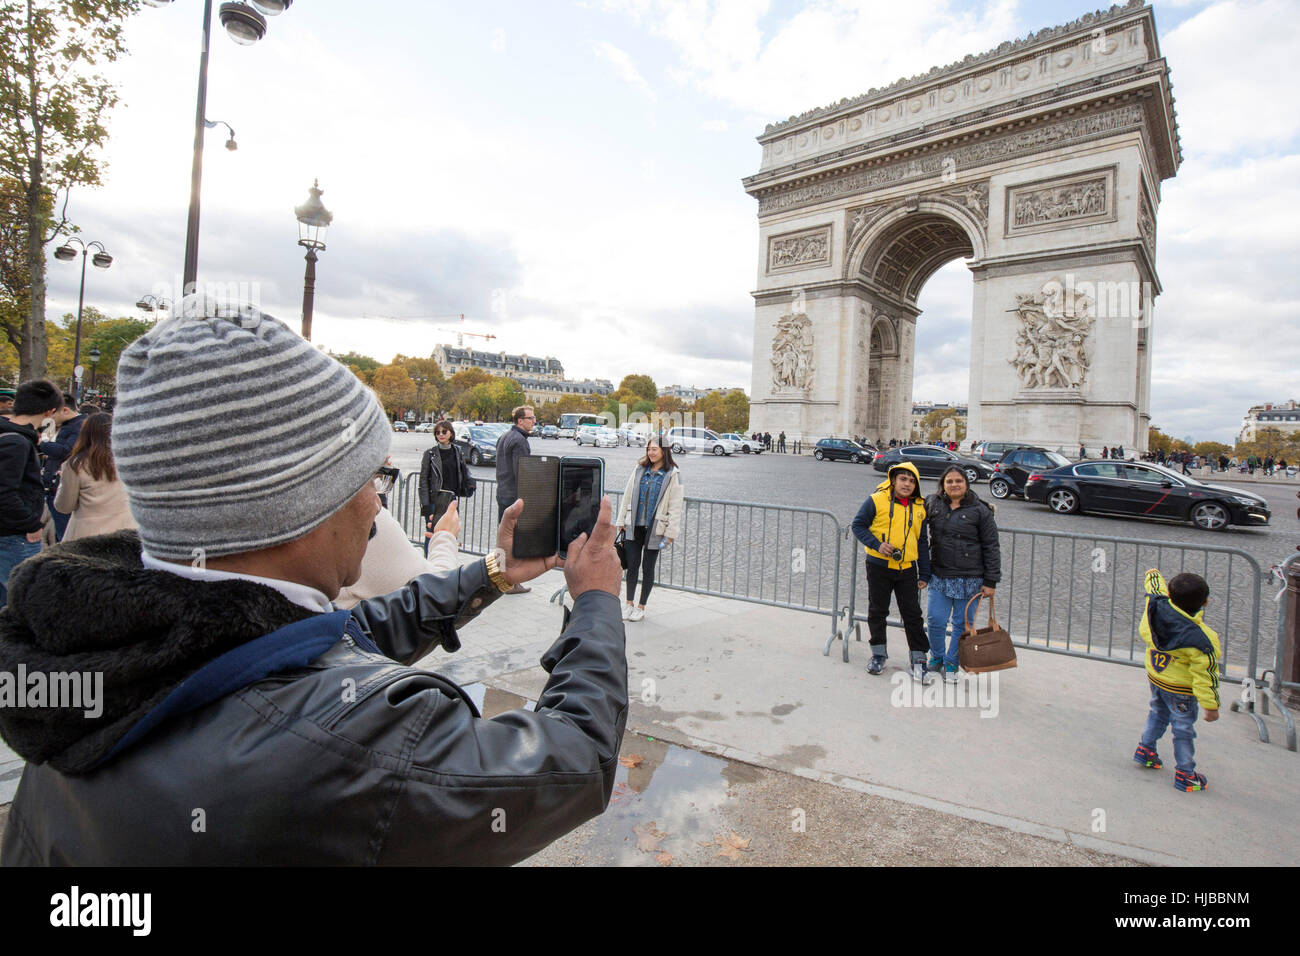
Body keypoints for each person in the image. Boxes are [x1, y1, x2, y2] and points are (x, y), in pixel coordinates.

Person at [0, 296, 628, 866]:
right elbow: (575, 759)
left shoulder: (100, 649)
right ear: (302, 506)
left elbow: (337, 636)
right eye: (369, 478)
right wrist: (597, 602)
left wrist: (491, 572)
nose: (378, 504)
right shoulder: (366, 741)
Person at [1132, 569, 1219, 792]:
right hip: (1182, 690)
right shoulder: (1202, 637)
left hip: (1156, 678)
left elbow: (1154, 588)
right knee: (1183, 728)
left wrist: (1152, 574)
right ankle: (1186, 774)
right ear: (1205, 602)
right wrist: (1210, 706)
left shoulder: (1155, 609)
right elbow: (1205, 675)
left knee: (1157, 713)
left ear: (1170, 596)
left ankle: (1146, 750)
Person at [850, 461, 931, 682]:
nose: (907, 484)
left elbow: (922, 541)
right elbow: (857, 525)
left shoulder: (919, 507)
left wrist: (925, 572)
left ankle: (918, 657)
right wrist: (877, 544)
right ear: (893, 480)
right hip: (878, 565)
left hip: (907, 568)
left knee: (912, 614)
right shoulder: (875, 500)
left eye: (912, 481)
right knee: (878, 610)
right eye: (903, 479)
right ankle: (878, 653)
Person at [923, 466, 1000, 683]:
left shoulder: (981, 510)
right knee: (935, 620)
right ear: (943, 485)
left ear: (966, 483)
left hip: (971, 577)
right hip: (940, 574)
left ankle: (951, 662)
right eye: (949, 481)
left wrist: (991, 580)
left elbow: (991, 546)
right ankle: (936, 657)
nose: (954, 484)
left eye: (959, 480)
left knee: (962, 624)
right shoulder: (932, 503)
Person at [0, 380, 61, 607]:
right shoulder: (16, 442)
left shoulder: (13, 436)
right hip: (15, 534)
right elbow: (4, 492)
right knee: (25, 601)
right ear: (49, 411)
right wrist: (31, 523)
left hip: (9, 531)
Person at [617, 434, 683, 623]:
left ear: (664, 451)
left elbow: (676, 506)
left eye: (654, 449)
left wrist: (671, 533)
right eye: (648, 449)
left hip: (656, 528)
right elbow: (627, 494)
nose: (650, 452)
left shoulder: (673, 474)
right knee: (632, 566)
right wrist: (621, 520)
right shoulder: (639, 469)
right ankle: (628, 603)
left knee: (648, 568)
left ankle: (641, 606)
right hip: (634, 524)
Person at [50, 412, 136, 541]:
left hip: (87, 535)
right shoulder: (130, 460)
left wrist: (62, 484)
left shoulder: (76, 465)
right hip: (126, 531)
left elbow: (64, 506)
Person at [418, 419, 475, 557]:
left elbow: (464, 470)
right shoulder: (430, 454)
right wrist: (425, 504)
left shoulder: (457, 451)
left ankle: (447, 560)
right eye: (437, 432)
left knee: (451, 533)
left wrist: (470, 482)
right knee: (432, 533)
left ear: (451, 433)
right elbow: (423, 480)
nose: (441, 435)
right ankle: (430, 562)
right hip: (435, 500)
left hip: (452, 499)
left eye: (444, 432)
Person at [494, 405, 535, 594]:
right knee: (513, 541)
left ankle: (499, 578)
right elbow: (523, 472)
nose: (534, 421)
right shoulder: (519, 441)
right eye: (531, 418)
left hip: (503, 492)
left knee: (502, 538)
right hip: (514, 497)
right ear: (520, 420)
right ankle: (511, 582)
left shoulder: (504, 437)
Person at [38, 393, 85, 541]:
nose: (49, 417)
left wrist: (43, 444)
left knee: (64, 533)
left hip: (61, 484)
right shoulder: (60, 425)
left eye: (52, 413)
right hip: (52, 482)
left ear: (65, 410)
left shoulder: (79, 426)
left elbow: (65, 451)